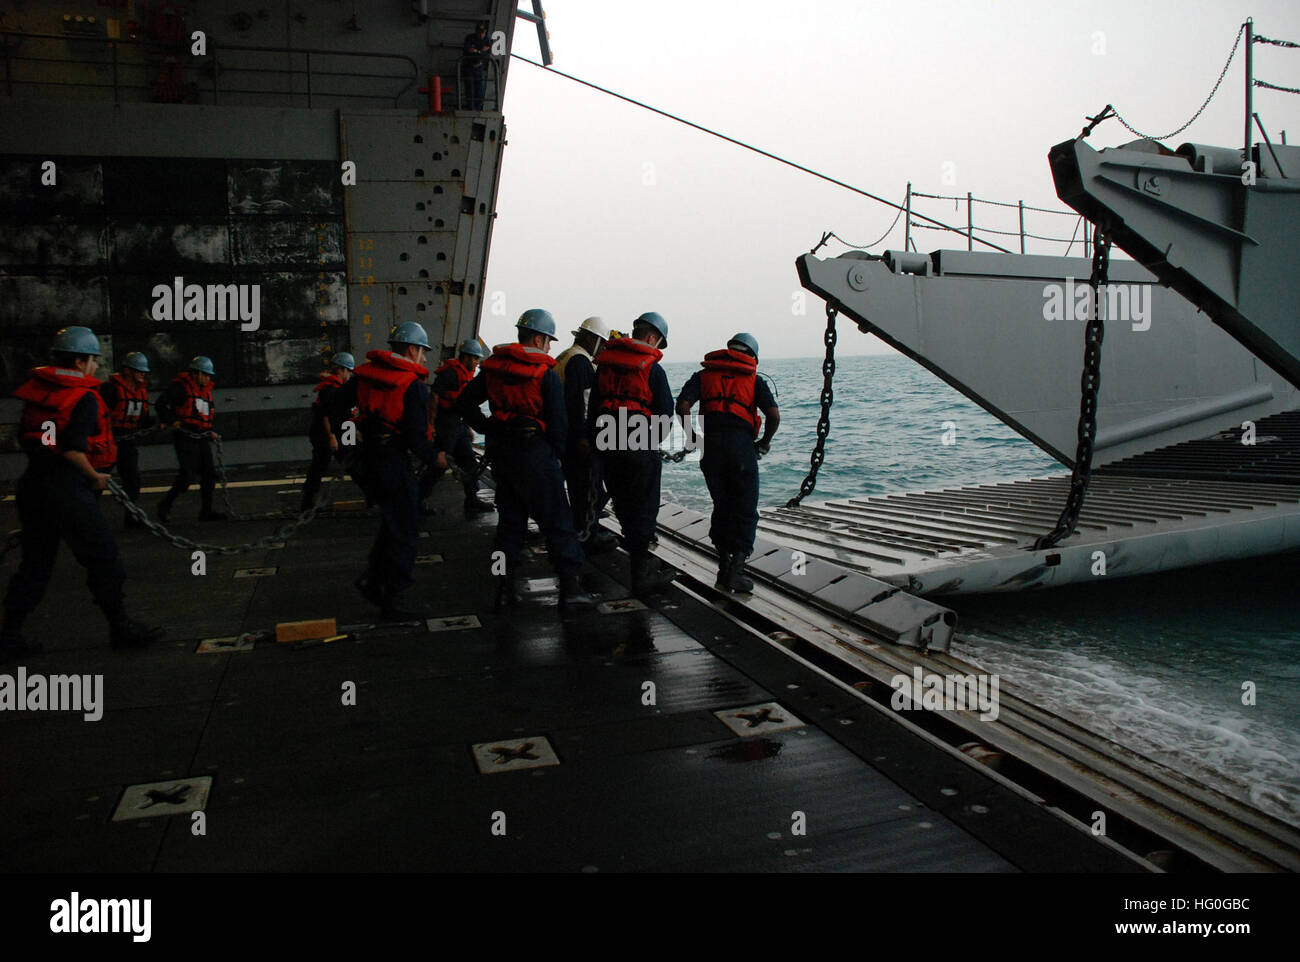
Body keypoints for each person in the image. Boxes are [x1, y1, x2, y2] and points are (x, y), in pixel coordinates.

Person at [0, 326, 163, 659]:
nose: (95, 368)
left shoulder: (40, 395)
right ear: (79, 360)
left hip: (34, 486)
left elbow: (38, 441)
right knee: (104, 561)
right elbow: (74, 451)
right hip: (68, 488)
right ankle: (120, 627)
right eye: (92, 360)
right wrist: (95, 476)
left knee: (35, 566)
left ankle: (9, 635)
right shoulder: (85, 397)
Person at [455, 309, 598, 609]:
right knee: (558, 523)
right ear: (538, 338)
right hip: (537, 456)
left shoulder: (492, 370)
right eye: (547, 342)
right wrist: (556, 456)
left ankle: (503, 585)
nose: (548, 348)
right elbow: (559, 424)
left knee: (509, 523)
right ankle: (571, 589)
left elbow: (464, 402)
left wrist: (487, 427)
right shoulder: (543, 373)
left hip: (503, 456)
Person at [337, 322, 447, 619]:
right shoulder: (412, 385)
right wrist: (436, 458)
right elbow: (415, 437)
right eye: (423, 352)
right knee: (405, 530)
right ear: (412, 349)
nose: (424, 359)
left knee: (391, 524)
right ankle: (393, 597)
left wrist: (348, 443)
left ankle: (372, 580)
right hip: (393, 462)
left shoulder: (363, 376)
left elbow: (333, 405)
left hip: (368, 459)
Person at [675, 332, 780, 592]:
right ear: (753, 356)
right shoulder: (754, 380)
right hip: (741, 450)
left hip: (711, 450)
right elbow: (774, 415)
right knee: (744, 509)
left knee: (721, 506)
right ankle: (737, 571)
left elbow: (682, 406)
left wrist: (691, 438)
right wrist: (764, 441)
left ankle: (723, 568)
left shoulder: (704, 375)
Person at [587, 311, 676, 594]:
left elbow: (594, 409)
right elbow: (665, 412)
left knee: (623, 503)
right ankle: (641, 575)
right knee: (644, 507)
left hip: (608, 444)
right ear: (652, 337)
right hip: (638, 445)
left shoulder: (605, 365)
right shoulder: (652, 368)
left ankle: (638, 561)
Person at [555, 316, 616, 551]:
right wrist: (583, 436)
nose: (601, 348)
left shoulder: (565, 356)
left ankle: (583, 528)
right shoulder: (580, 362)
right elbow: (581, 402)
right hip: (576, 437)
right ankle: (587, 536)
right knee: (589, 488)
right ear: (592, 338)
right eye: (601, 342)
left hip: (562, 434)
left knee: (580, 487)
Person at [423, 338, 493, 516]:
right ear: (467, 357)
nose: (477, 363)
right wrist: (431, 424)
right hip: (446, 424)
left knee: (469, 462)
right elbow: (434, 397)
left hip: (458, 423)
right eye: (475, 359)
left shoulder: (466, 376)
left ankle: (472, 500)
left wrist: (467, 427)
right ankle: (417, 498)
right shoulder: (450, 374)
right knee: (439, 464)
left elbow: (463, 405)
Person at [155, 355, 225, 523]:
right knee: (187, 475)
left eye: (209, 376)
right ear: (196, 373)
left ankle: (206, 511)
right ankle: (165, 504)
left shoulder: (205, 391)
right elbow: (161, 404)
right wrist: (172, 420)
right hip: (185, 436)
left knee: (209, 474)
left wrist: (210, 432)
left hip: (201, 437)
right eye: (205, 375)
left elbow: (202, 417)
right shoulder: (180, 387)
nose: (208, 378)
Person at [97, 351, 153, 528]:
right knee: (98, 479)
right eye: (138, 370)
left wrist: (155, 423)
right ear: (127, 371)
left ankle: (131, 517)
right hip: (109, 440)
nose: (142, 374)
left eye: (143, 371)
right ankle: (86, 516)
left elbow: (143, 419)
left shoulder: (141, 393)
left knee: (132, 480)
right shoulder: (110, 389)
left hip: (127, 441)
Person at [301, 351, 355, 513]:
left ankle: (307, 502)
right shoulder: (330, 390)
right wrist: (331, 437)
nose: (350, 375)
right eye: (348, 371)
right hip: (326, 435)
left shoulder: (335, 388)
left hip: (336, 433)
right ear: (341, 370)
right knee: (323, 465)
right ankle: (307, 502)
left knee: (326, 464)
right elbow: (326, 415)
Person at [462, 20, 491, 110]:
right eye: (479, 32)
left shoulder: (487, 40)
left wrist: (476, 51)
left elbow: (486, 52)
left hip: (479, 67)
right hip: (469, 67)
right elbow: (468, 51)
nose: (481, 34)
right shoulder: (470, 38)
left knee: (480, 91)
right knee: (470, 89)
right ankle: (471, 108)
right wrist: (480, 51)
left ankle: (477, 108)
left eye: (482, 32)